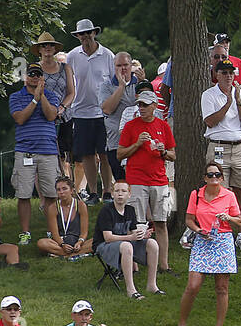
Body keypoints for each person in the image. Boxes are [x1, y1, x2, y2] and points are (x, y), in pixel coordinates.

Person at [176, 163, 241, 326]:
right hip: (203, 241)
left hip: (223, 241)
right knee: (192, 286)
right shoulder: (196, 195)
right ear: (205, 177)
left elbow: (240, 221)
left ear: (222, 178)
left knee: (221, 287)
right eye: (210, 175)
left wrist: (229, 218)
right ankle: (181, 325)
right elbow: (189, 219)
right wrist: (198, 230)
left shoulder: (229, 196)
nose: (214, 178)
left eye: (217, 175)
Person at [117, 88, 175, 274]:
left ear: (154, 106)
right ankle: (134, 263)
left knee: (161, 222)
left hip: (159, 180)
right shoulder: (131, 126)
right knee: (138, 223)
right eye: (139, 105)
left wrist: (163, 151)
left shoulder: (163, 126)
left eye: (145, 105)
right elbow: (119, 154)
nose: (141, 108)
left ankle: (164, 265)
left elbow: (173, 154)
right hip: (137, 180)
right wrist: (137, 144)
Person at [201, 58, 241, 253]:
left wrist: (238, 100)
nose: (228, 76)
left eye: (231, 73)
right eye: (224, 73)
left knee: (240, 191)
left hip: (239, 146)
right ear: (217, 75)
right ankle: (219, 234)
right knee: (217, 192)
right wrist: (228, 103)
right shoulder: (209, 94)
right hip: (218, 147)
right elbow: (210, 121)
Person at [63, 18, 116, 204]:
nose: (84, 37)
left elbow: (114, 82)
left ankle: (107, 191)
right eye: (81, 34)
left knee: (105, 153)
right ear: (77, 36)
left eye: (87, 33)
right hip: (80, 111)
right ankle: (93, 191)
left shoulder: (108, 55)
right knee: (86, 154)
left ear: (94, 33)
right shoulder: (72, 56)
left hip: (103, 112)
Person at [10, 63, 61, 246]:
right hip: (26, 151)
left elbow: (51, 116)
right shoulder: (16, 96)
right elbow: (20, 118)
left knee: (50, 194)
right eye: (31, 74)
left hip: (48, 151)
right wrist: (34, 100)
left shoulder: (51, 95)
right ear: (25, 77)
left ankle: (51, 230)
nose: (34, 77)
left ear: (42, 78)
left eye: (38, 75)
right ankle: (25, 232)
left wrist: (41, 97)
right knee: (24, 194)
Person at [92, 180, 162, 298]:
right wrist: (131, 237)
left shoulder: (130, 210)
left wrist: (142, 235)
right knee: (126, 245)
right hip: (104, 245)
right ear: (112, 194)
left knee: (152, 244)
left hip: (123, 242)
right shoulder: (106, 210)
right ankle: (131, 290)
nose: (120, 194)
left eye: (123, 191)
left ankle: (152, 285)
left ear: (129, 194)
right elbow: (108, 237)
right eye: (117, 191)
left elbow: (134, 232)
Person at [29, 32, 76, 181]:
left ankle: (65, 186)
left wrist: (61, 107)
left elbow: (71, 92)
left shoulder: (65, 68)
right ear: (39, 50)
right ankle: (46, 193)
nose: (48, 48)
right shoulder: (34, 69)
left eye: (50, 45)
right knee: (42, 155)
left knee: (64, 156)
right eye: (44, 45)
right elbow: (30, 91)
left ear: (55, 49)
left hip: (64, 116)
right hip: (42, 116)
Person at [37, 176, 89, 260]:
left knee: (97, 241)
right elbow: (55, 234)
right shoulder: (53, 207)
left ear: (71, 190)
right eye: (58, 190)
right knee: (41, 243)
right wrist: (62, 244)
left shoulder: (81, 205)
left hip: (77, 241)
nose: (61, 192)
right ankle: (75, 255)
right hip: (60, 242)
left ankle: (63, 254)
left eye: (64, 189)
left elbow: (84, 231)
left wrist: (80, 242)